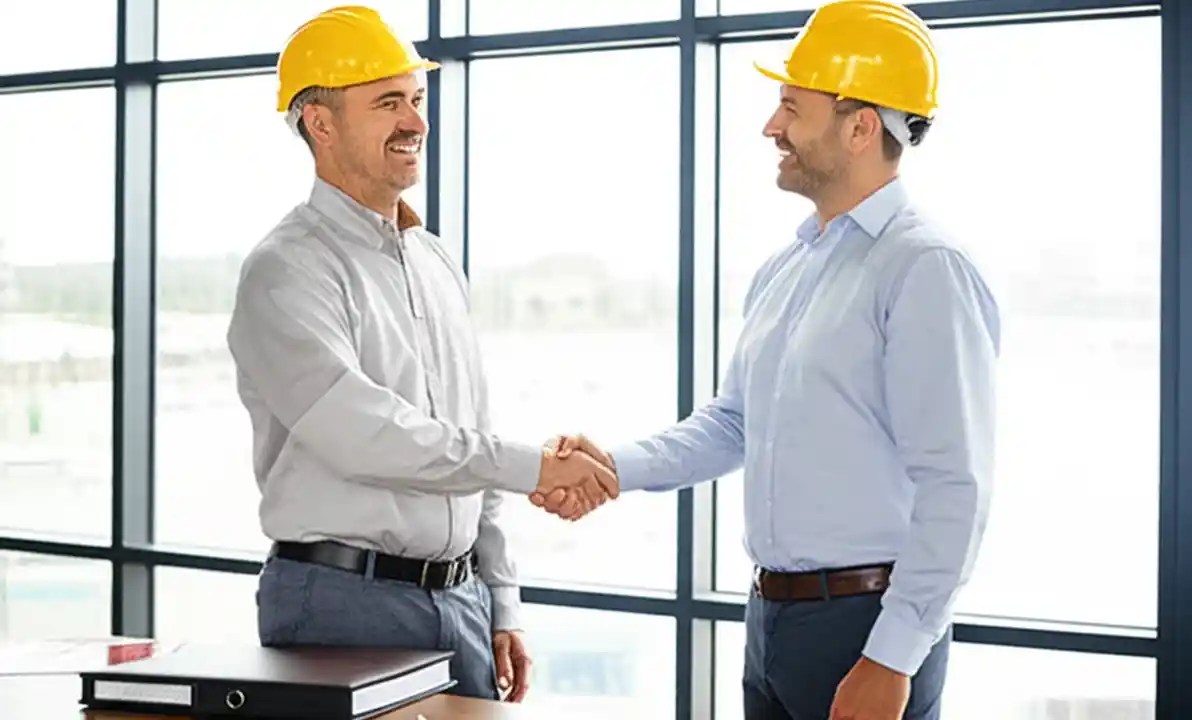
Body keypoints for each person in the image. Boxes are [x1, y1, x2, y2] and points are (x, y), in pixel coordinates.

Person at [536, 2, 999, 719]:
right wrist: (614, 467)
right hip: (772, 621)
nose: (770, 127)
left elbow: (955, 485)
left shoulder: (923, 267)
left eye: (791, 105)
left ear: (860, 125)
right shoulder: (789, 267)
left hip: (865, 625)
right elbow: (732, 425)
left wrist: (891, 657)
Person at [225, 6, 616, 704]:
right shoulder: (287, 271)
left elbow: (472, 436)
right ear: (320, 123)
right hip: (342, 604)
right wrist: (537, 467)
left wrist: (501, 597)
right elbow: (367, 434)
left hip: (460, 603)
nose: (416, 123)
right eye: (387, 103)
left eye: (417, 100)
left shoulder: (435, 263)